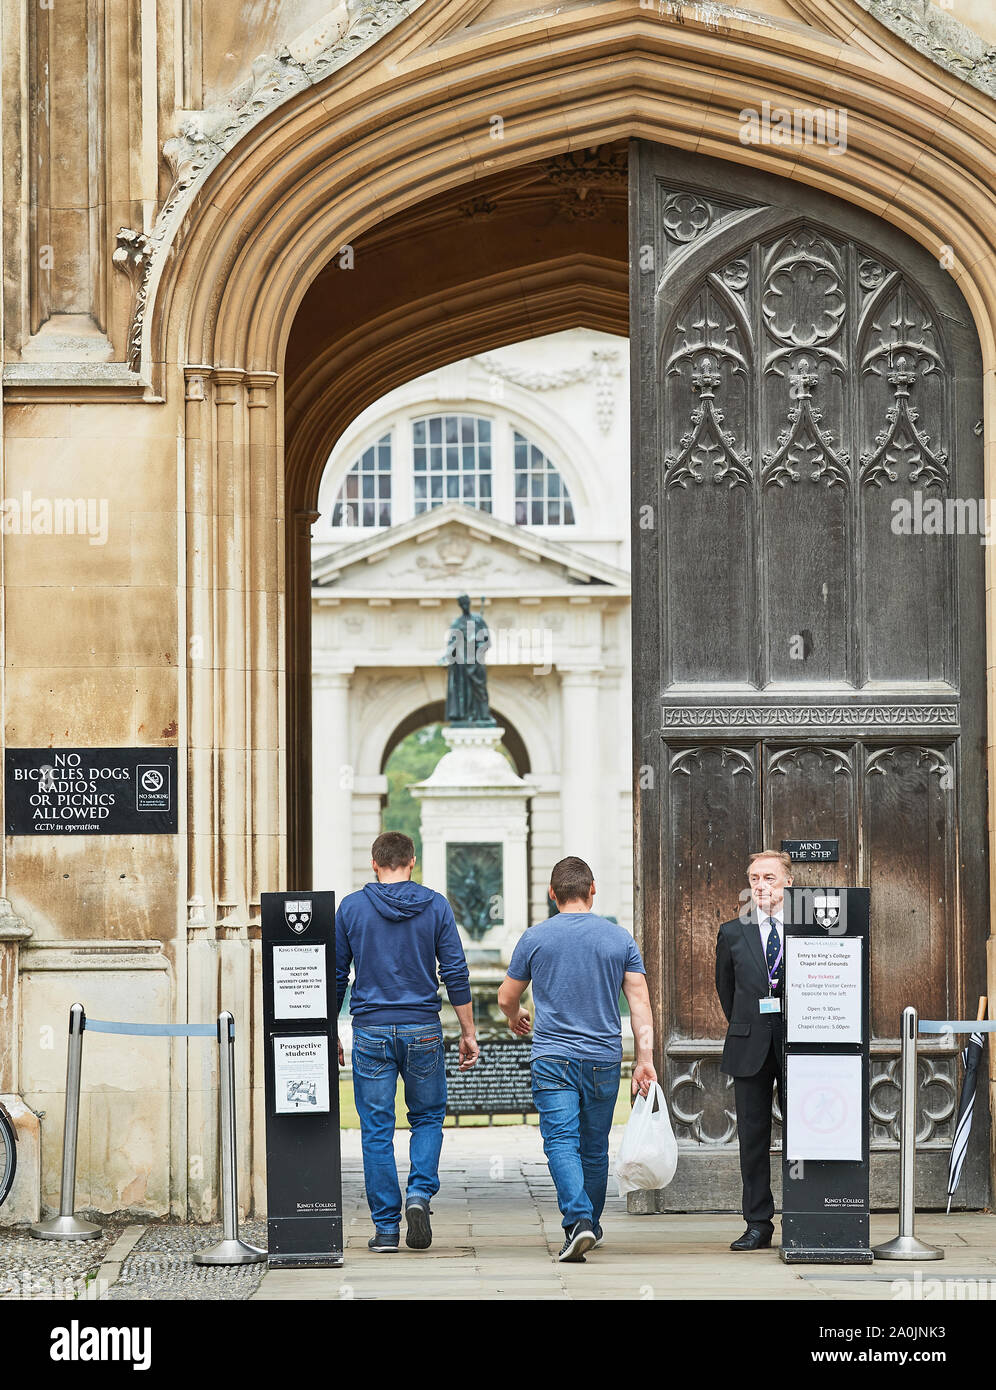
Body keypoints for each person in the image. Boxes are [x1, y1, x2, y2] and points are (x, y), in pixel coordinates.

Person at [497, 856, 656, 1263]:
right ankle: (591, 1225)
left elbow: (505, 997)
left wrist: (516, 1017)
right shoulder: (619, 939)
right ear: (593, 889)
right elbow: (639, 1002)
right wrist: (644, 1059)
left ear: (552, 893)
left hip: (553, 1057)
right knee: (594, 1148)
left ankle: (579, 1219)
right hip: (603, 1058)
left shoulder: (535, 938)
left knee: (560, 1142)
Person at [335, 830, 479, 1253]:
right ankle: (418, 1194)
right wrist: (468, 1032)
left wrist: (330, 1030)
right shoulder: (435, 906)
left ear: (374, 863)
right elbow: (456, 971)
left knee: (376, 1130)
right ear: (412, 861)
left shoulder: (352, 909)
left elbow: (337, 975)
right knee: (428, 1118)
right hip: (422, 1029)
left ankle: (384, 1230)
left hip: (372, 1029)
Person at [715, 849, 792, 1251]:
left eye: (769, 878)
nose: (760, 885)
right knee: (753, 1136)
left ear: (788, 883)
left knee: (804, 1132)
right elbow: (727, 993)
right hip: (750, 1044)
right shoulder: (732, 932)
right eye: (754, 878)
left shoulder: (809, 929)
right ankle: (758, 1222)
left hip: (800, 1044)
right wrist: (751, 1024)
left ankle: (803, 1213)